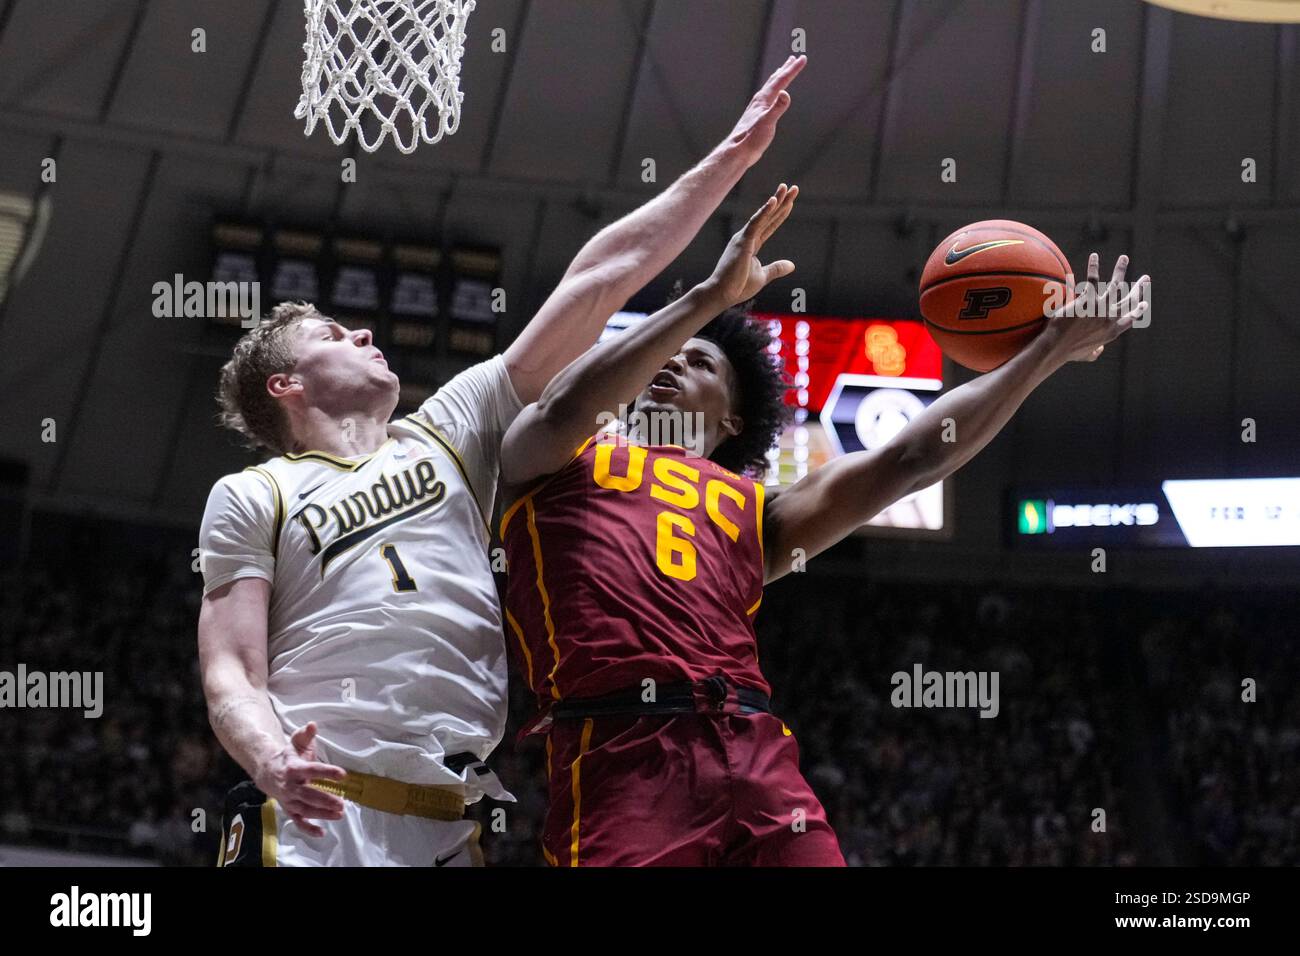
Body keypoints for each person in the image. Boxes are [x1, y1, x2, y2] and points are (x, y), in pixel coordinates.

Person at [196, 56, 809, 867]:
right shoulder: (252, 494)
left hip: (452, 825)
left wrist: (730, 157)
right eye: (337, 337)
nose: (366, 335)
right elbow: (232, 673)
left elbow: (596, 281)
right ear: (287, 385)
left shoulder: (450, 428)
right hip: (317, 808)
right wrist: (270, 757)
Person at [498, 184, 1150, 866]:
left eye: (700, 361)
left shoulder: (755, 511)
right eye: (666, 351)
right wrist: (709, 299)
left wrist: (1045, 348)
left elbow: (912, 456)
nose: (671, 360)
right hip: (619, 753)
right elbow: (562, 406)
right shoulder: (557, 458)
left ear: (733, 422)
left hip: (753, 754)